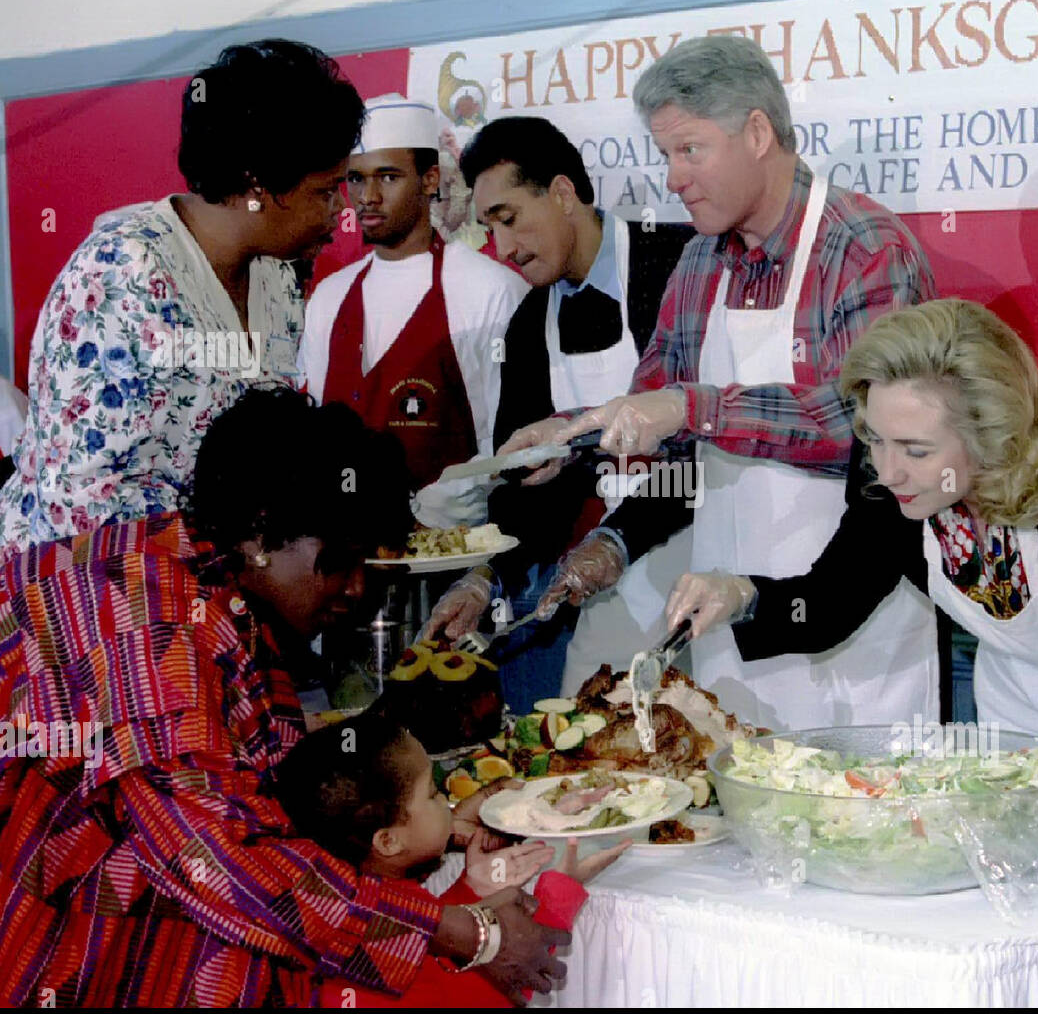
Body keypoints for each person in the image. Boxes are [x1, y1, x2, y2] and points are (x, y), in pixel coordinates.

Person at [0, 388, 568, 1007]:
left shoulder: (223, 591)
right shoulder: (148, 617)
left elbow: (268, 808)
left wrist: (422, 831)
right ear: (265, 532)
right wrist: (469, 933)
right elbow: (215, 859)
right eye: (342, 561)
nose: (356, 590)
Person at [666, 298, 1038, 820]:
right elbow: (832, 600)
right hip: (1027, 693)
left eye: (916, 449)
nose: (887, 468)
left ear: (990, 432)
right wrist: (739, 593)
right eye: (875, 439)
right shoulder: (893, 482)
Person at [506, 35, 940, 729]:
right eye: (665, 155)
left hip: (856, 637)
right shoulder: (700, 261)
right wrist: (576, 434)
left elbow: (864, 433)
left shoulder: (864, 249)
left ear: (759, 133)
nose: (673, 178)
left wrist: (689, 406)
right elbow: (660, 414)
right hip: (728, 623)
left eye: (690, 150)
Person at [0, 39, 365, 560]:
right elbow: (81, 497)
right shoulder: (122, 272)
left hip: (208, 599)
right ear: (255, 182)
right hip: (89, 602)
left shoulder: (279, 277)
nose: (339, 211)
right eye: (324, 192)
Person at [424, 117, 695, 710]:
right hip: (616, 586)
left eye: (510, 217)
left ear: (564, 193)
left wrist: (616, 540)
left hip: (717, 561)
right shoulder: (527, 326)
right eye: (489, 227)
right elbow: (527, 486)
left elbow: (699, 444)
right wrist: (484, 578)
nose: (504, 248)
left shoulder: (680, 264)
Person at [275, 712, 629, 1007]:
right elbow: (493, 991)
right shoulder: (381, 952)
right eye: (431, 794)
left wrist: (470, 890)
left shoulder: (369, 909)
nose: (446, 803)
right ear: (388, 840)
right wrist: (560, 893)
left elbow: (438, 950)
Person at [299, 94, 527, 518]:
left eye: (387, 177)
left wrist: (453, 500)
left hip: (457, 557)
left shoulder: (492, 290)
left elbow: (511, 442)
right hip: (341, 558)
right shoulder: (328, 297)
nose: (367, 197)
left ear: (430, 179)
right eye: (356, 179)